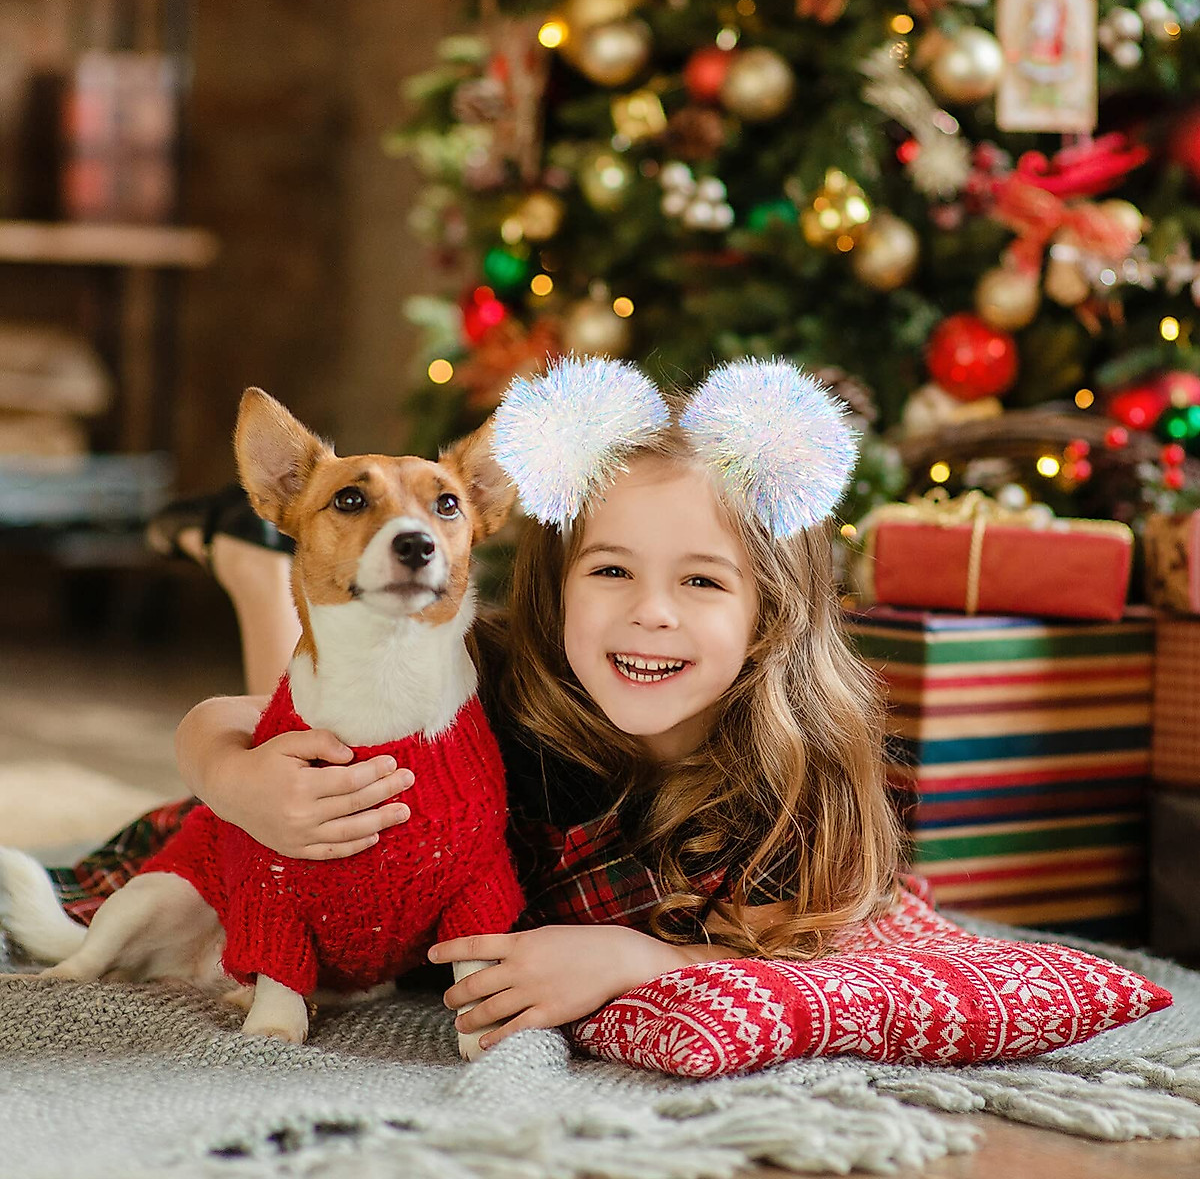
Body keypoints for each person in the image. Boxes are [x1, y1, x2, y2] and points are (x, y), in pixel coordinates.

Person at [46, 357, 902, 1051]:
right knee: (332, 699)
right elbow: (229, 720)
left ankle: (253, 566)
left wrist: (635, 960)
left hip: (409, 921)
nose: (652, 611)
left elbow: (814, 970)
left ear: (769, 617)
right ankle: (259, 571)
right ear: (557, 585)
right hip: (286, 855)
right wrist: (234, 784)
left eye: (702, 580)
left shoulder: (792, 791)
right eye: (610, 570)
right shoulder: (505, 670)